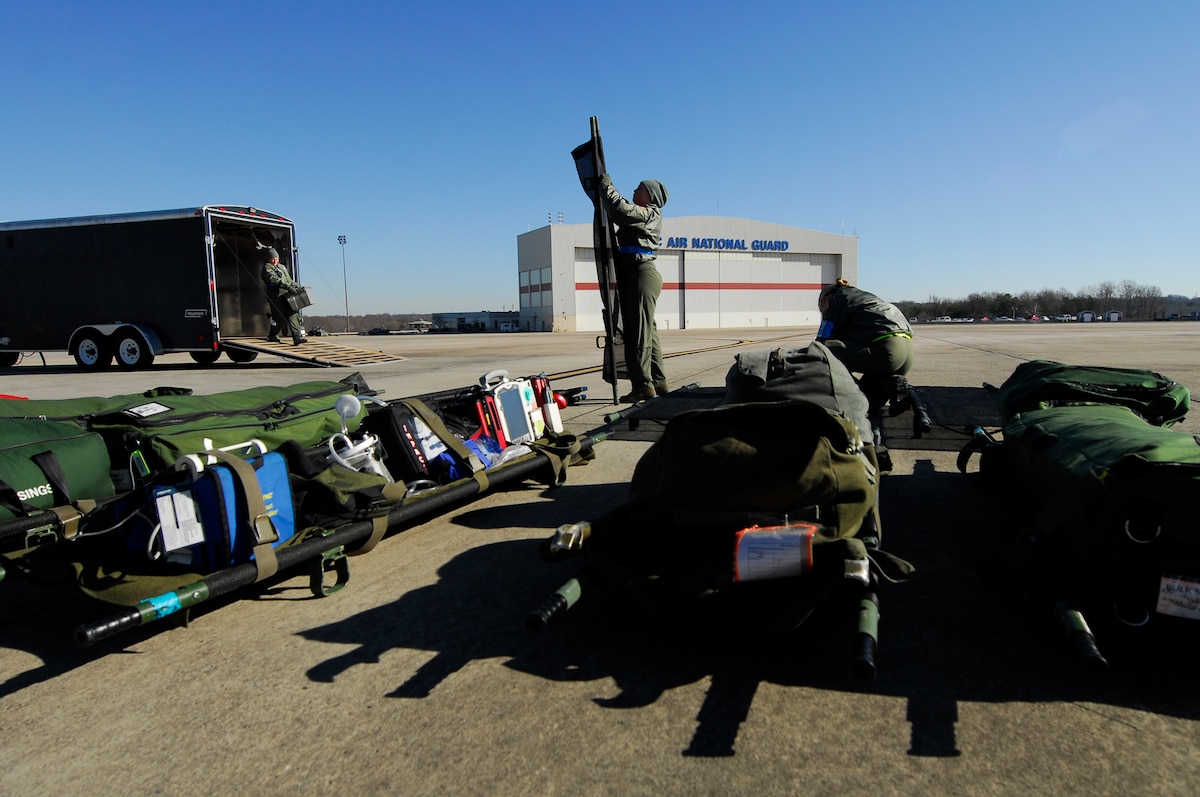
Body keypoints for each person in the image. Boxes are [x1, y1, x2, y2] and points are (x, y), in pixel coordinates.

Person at [599, 174, 669, 403]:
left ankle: (642, 386)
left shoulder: (648, 213)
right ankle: (658, 382)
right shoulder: (646, 214)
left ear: (650, 196)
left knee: (637, 332)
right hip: (635, 273)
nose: (634, 190)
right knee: (648, 331)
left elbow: (620, 209)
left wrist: (606, 186)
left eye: (639, 188)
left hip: (641, 274)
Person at [816, 278, 913, 411]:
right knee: (865, 400)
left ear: (825, 300)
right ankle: (892, 385)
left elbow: (821, 342)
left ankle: (843, 392)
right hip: (905, 355)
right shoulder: (862, 297)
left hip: (886, 351)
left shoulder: (836, 300)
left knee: (822, 350)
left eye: (822, 310)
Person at [260, 247, 307, 345]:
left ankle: (297, 337)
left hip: (287, 294)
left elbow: (288, 280)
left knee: (293, 314)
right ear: (269, 259)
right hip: (276, 295)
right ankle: (273, 335)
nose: (274, 261)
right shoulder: (267, 267)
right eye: (272, 259)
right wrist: (287, 286)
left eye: (276, 259)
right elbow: (274, 279)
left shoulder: (282, 267)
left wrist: (297, 287)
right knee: (278, 316)